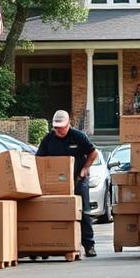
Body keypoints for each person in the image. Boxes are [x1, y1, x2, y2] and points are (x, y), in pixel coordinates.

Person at [36, 110, 99, 257]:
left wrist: (85, 168)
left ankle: (89, 245)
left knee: (84, 212)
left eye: (61, 127)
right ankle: (51, 245)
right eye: (56, 127)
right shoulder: (48, 139)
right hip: (55, 183)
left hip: (78, 179)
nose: (59, 130)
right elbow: (39, 159)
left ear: (68, 123)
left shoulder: (78, 136)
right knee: (54, 211)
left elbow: (93, 153)